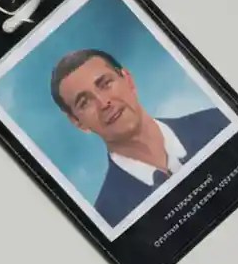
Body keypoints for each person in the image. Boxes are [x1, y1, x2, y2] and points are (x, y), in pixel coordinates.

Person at [50, 49, 228, 225]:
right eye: (85, 102)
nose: (104, 103)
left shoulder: (221, 122)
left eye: (105, 84)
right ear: (77, 122)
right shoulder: (109, 219)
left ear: (128, 80)